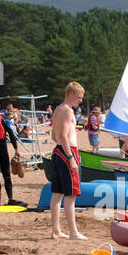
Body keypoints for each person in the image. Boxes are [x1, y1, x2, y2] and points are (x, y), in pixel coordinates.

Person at [50, 81, 87, 239]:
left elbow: (54, 135)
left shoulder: (58, 109)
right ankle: (73, 232)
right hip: (67, 152)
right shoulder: (67, 111)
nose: (80, 101)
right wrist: (71, 158)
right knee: (71, 194)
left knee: (57, 193)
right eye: (79, 97)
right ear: (70, 94)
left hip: (58, 151)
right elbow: (64, 136)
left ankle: (56, 230)